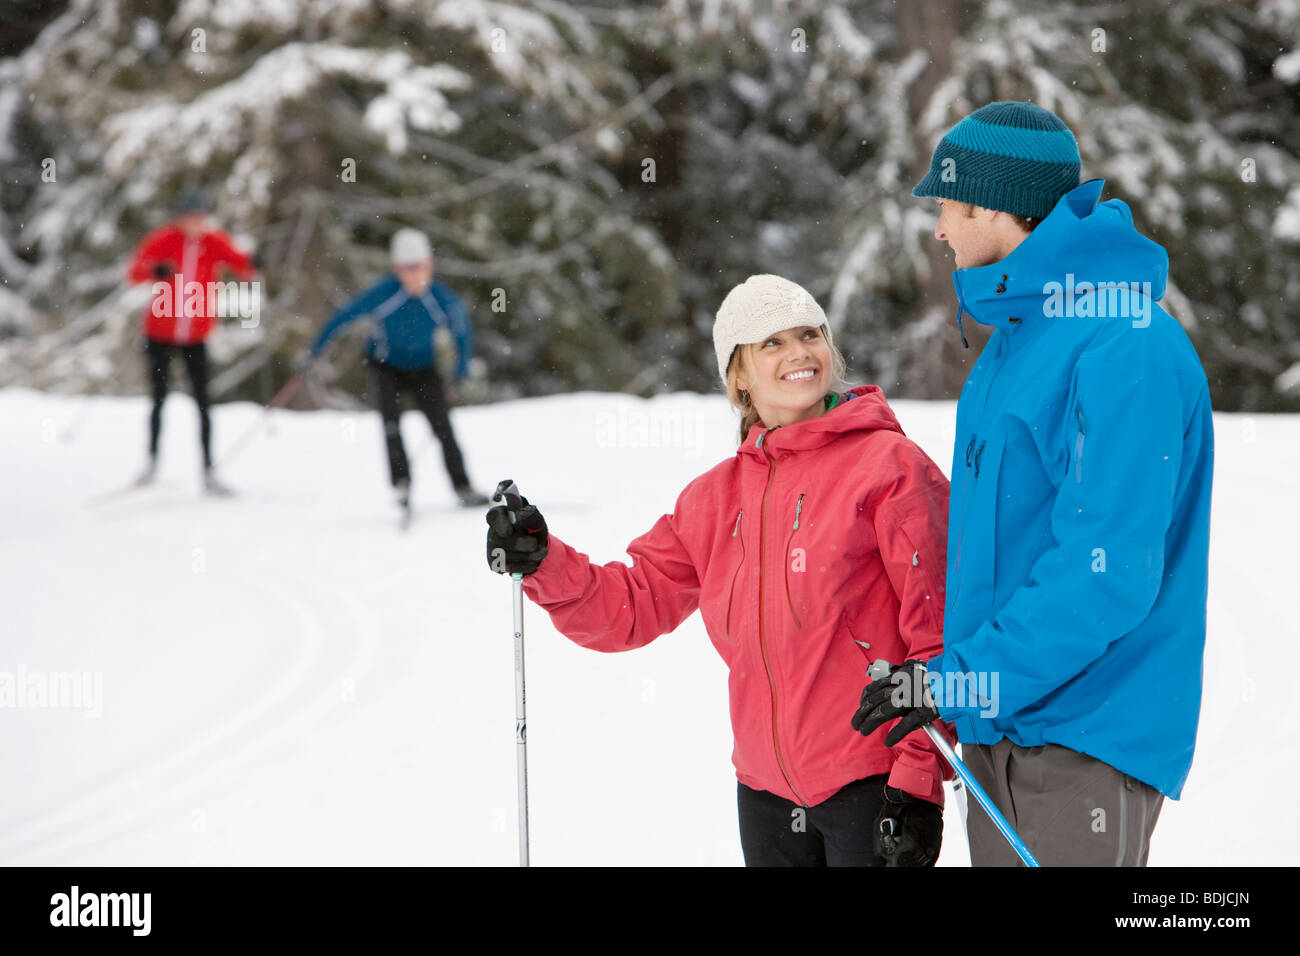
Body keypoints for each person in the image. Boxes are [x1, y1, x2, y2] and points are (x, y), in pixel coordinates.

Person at [486, 274, 956, 866]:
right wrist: (543, 561)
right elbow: (630, 607)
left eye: (810, 335)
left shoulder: (889, 467)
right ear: (739, 376)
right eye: (773, 342)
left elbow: (941, 634)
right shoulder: (715, 499)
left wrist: (916, 782)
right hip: (764, 798)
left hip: (871, 784)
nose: (799, 353)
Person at [853, 102, 1214, 866]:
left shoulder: (1124, 345)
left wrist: (961, 681)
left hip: (1082, 736)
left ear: (994, 207)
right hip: (1001, 730)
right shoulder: (1016, 344)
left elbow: (1104, 572)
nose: (939, 229)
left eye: (948, 206)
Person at [303, 228, 489, 512]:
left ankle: (463, 486)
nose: (414, 276)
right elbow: (343, 317)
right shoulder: (384, 293)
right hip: (385, 365)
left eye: (420, 268)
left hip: (424, 367)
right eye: (407, 270)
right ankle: (401, 483)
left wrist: (460, 372)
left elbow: (462, 334)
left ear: (430, 265)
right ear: (397, 269)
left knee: (442, 426)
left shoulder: (441, 298)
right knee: (391, 423)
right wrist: (315, 351)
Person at [126, 188, 260, 494]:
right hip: (159, 334)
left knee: (203, 402)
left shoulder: (213, 241)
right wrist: (154, 271)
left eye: (200, 217)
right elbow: (135, 272)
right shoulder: (163, 239)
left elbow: (242, 266)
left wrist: (254, 263)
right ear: (180, 217)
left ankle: (208, 469)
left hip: (196, 336)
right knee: (158, 399)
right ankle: (151, 463)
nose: (195, 223)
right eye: (190, 217)